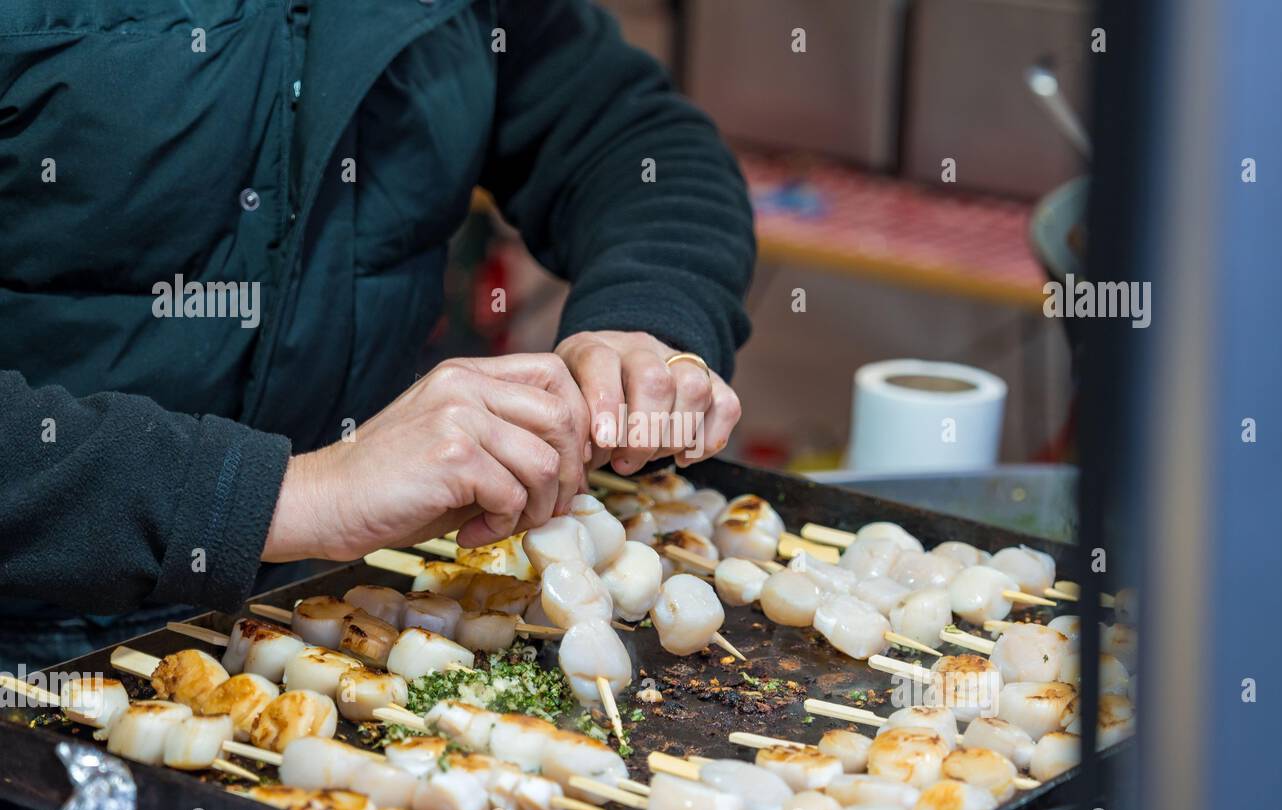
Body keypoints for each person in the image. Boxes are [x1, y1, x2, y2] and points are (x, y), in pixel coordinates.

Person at [0, 1, 755, 669]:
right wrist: (282, 497)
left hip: (348, 613)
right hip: (38, 648)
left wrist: (646, 313)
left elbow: (623, 133)